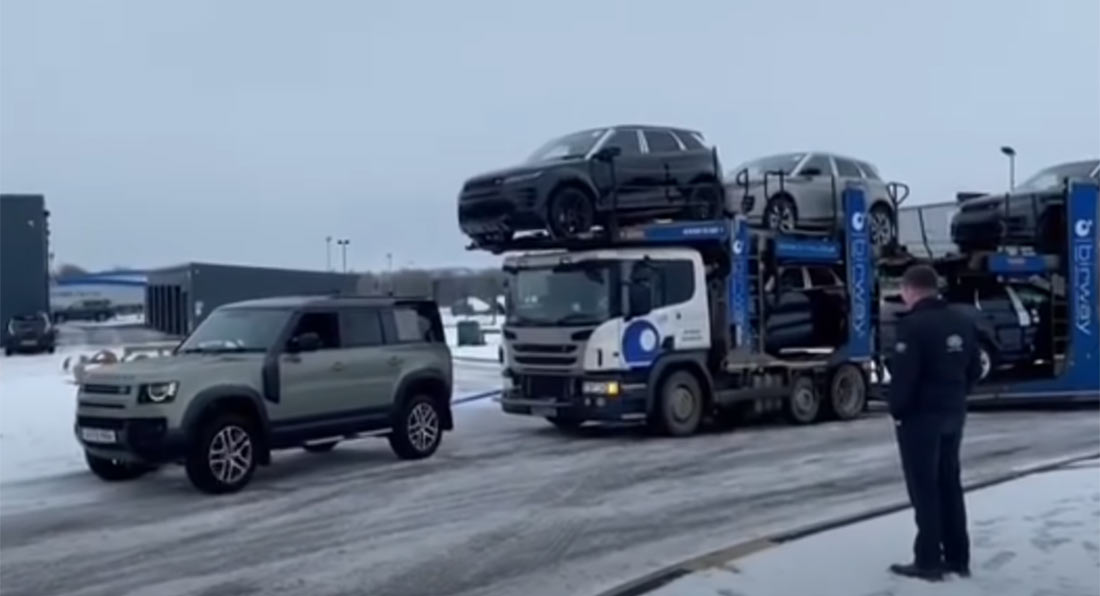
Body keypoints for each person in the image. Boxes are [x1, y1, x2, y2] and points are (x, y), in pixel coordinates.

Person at [887, 264, 983, 581]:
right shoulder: (962, 321)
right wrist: (958, 395)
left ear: (911, 290)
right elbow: (974, 367)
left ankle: (928, 559)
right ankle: (958, 557)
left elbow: (904, 378)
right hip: (953, 413)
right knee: (949, 484)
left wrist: (898, 410)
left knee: (924, 489)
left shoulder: (913, 327)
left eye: (903, 291)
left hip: (921, 419)